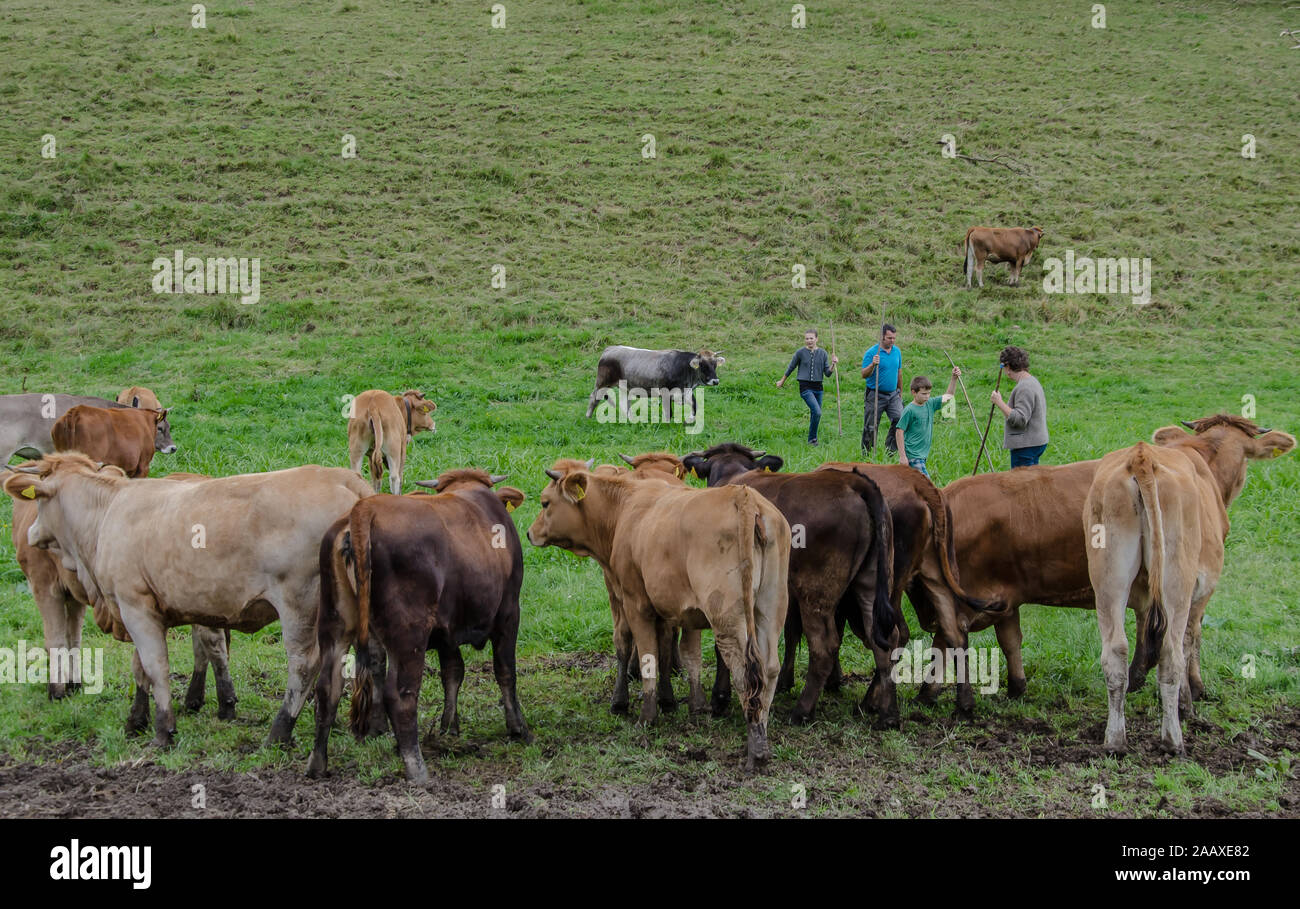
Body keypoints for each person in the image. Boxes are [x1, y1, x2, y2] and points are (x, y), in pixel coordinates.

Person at [777, 328, 838, 445]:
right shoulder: (800, 353)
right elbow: (791, 367)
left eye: (811, 338)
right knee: (817, 412)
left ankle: (811, 439)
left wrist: (833, 364)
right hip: (805, 387)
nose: (809, 341)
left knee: (815, 413)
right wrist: (782, 381)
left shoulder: (823, 353)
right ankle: (812, 439)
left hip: (818, 388)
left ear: (816, 339)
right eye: (807, 338)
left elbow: (828, 373)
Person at [894, 368, 959, 477]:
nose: (927, 397)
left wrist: (954, 378)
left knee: (913, 486)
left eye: (928, 393)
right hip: (913, 455)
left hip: (923, 455)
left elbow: (949, 396)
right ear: (913, 392)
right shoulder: (909, 410)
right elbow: (899, 431)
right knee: (927, 486)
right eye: (923, 394)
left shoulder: (930, 403)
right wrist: (902, 456)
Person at [991, 345, 1048, 467]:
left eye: (1003, 367)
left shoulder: (1024, 387)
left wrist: (999, 402)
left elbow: (1020, 419)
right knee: (1031, 482)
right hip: (1035, 442)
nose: (1005, 372)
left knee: (1021, 485)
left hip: (1026, 446)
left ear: (1008, 366)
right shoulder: (1032, 381)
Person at [861, 323, 903, 454]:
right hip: (875, 395)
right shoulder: (872, 353)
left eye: (894, 338)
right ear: (882, 337)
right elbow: (864, 374)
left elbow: (899, 372)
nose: (892, 341)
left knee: (900, 419)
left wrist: (900, 391)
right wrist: (873, 364)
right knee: (871, 426)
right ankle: (867, 454)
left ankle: (890, 450)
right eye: (889, 338)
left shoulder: (897, 351)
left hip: (893, 395)